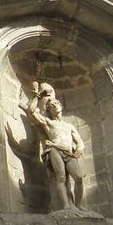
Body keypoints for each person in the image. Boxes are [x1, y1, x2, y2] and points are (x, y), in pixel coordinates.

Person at [20, 82, 87, 212]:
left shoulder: (69, 126)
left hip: (69, 153)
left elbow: (80, 143)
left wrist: (75, 154)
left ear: (61, 107)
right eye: (51, 106)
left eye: (56, 104)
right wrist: (37, 95)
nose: (54, 107)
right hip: (55, 150)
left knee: (78, 177)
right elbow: (31, 111)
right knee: (61, 176)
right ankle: (66, 206)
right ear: (49, 110)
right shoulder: (48, 123)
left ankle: (79, 205)